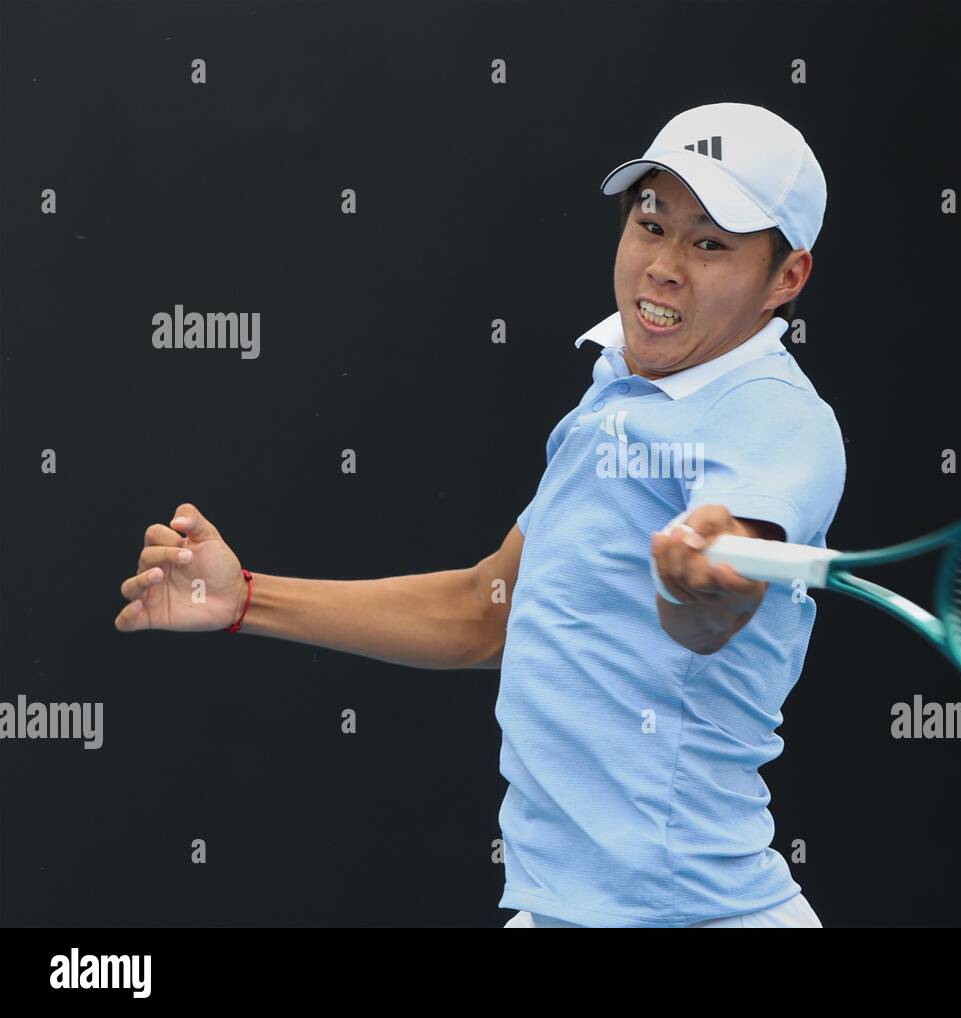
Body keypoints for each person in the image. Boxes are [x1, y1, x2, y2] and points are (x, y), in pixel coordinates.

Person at [116, 102, 845, 928]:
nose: (665, 265)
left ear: (787, 280)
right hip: (559, 911)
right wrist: (244, 597)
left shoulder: (770, 413)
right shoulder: (615, 400)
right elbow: (486, 611)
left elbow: (721, 591)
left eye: (711, 243)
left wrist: (707, 577)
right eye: (652, 224)